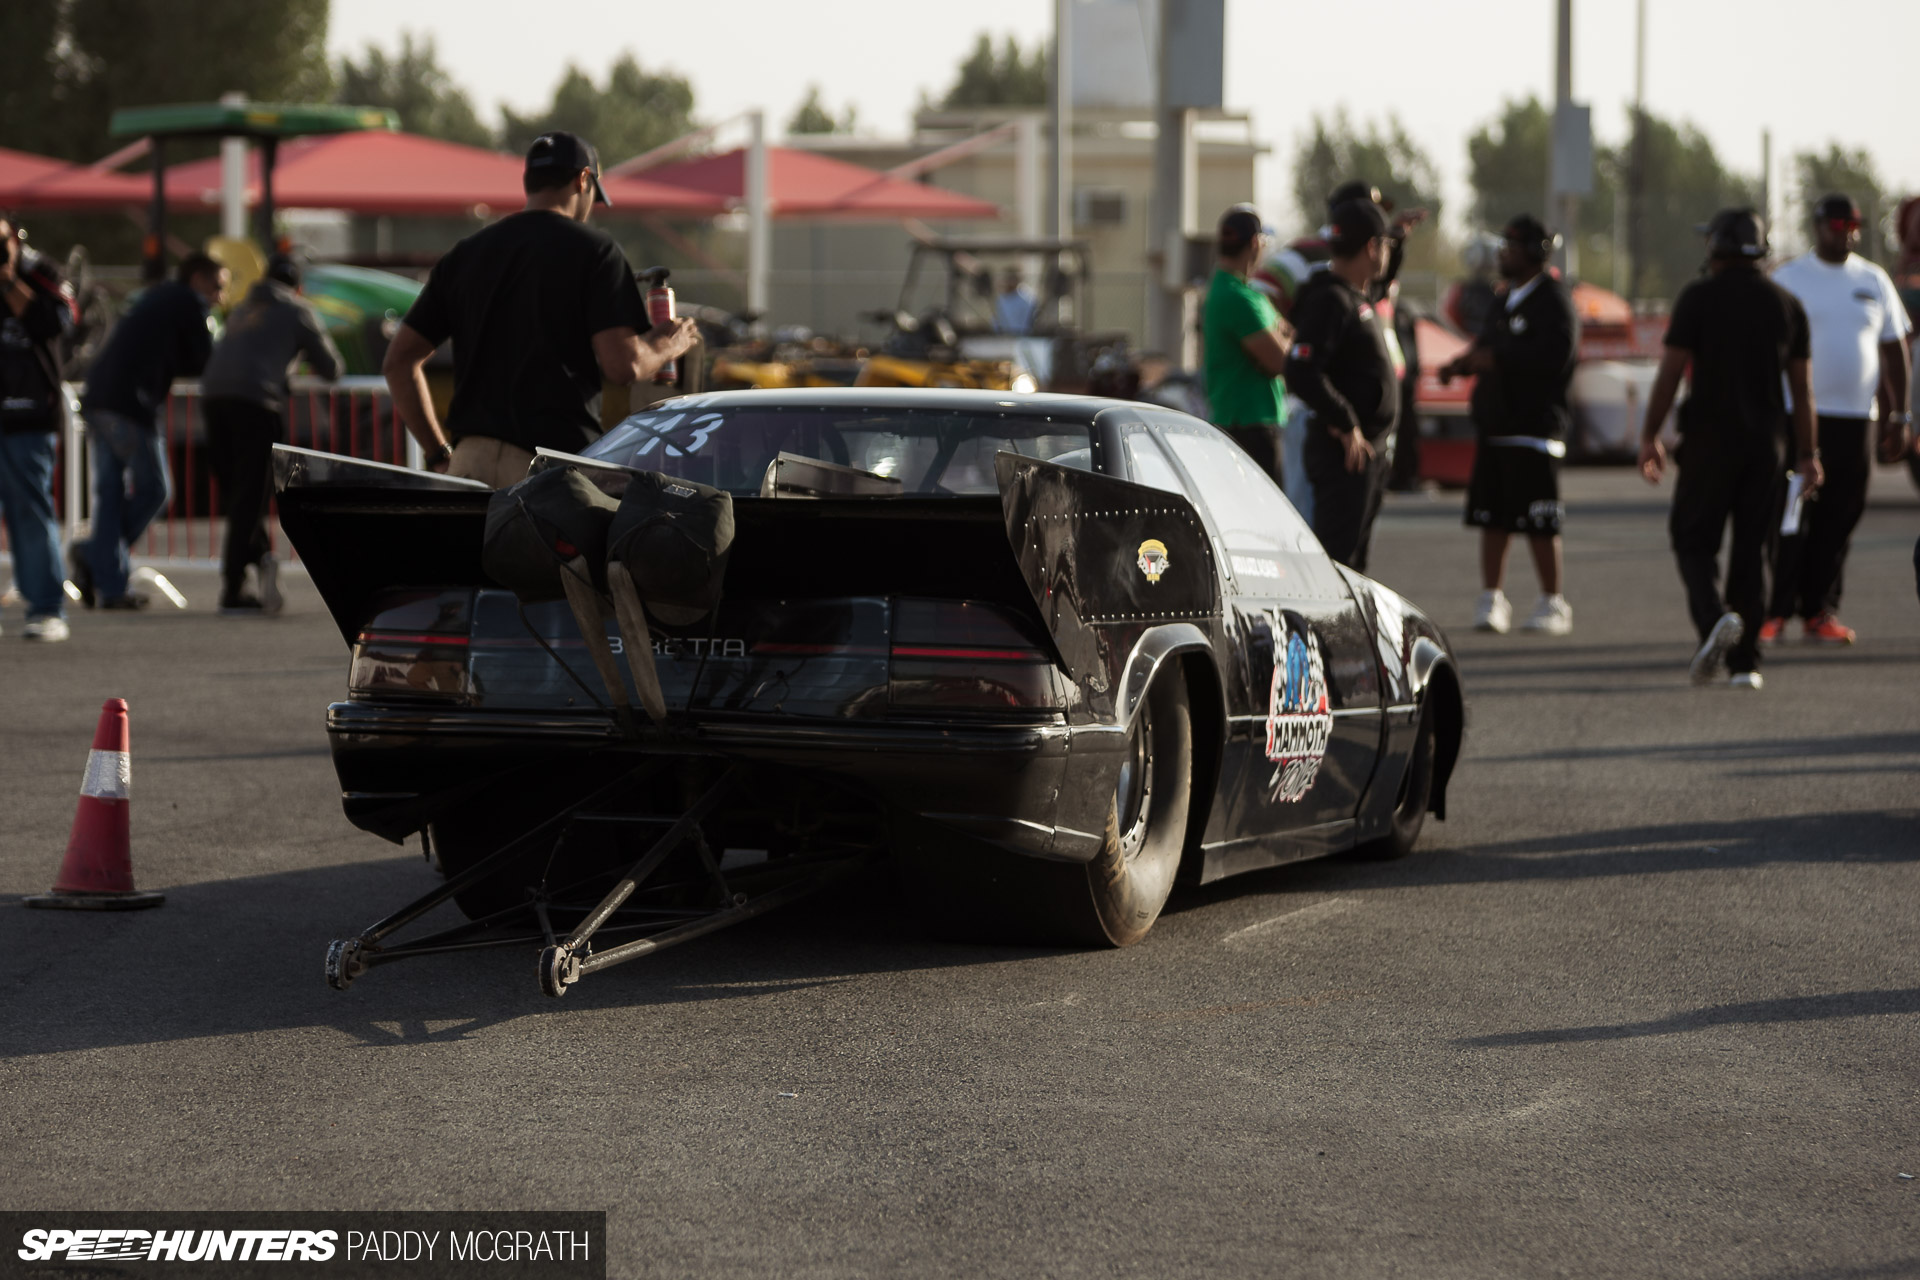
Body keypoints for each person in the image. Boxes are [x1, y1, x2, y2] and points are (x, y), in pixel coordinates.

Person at [384, 131, 698, 489]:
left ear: (529, 182)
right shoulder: (594, 250)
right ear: (583, 180)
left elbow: (398, 362)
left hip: (468, 470)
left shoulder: (466, 254)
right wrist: (667, 345)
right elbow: (623, 365)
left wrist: (439, 454)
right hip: (548, 473)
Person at [1637, 209, 1821, 691]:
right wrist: (1808, 453)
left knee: (1692, 539)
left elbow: (1672, 372)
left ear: (1716, 247)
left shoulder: (1699, 298)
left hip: (1709, 442)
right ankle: (1746, 665)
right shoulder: (1786, 304)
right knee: (1752, 548)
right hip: (1768, 447)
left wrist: (1649, 434)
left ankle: (1714, 618)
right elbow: (1803, 391)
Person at [1760, 193, 1913, 645]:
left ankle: (1820, 611)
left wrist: (1900, 414)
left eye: (1854, 224)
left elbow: (1894, 350)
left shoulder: (1873, 279)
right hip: (1797, 417)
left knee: (1841, 516)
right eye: (1838, 224)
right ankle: (1775, 611)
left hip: (1854, 420)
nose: (1847, 232)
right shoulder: (1788, 279)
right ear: (1818, 226)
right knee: (1790, 517)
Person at [1438, 214, 1580, 635]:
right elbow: (1486, 346)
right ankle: (1492, 599)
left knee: (1539, 519)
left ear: (1535, 253)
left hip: (1535, 426)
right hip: (1497, 424)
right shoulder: (1503, 298)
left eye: (1512, 247)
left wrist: (1499, 359)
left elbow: (1556, 356)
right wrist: (1460, 365)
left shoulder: (1554, 300)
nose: (1503, 254)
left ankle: (1553, 603)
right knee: (1493, 517)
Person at [72, 251, 227, 609]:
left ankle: (109, 584)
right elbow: (204, 361)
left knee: (109, 495)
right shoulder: (188, 303)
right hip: (129, 405)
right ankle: (95, 556)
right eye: (217, 287)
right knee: (155, 489)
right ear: (199, 280)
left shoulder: (159, 296)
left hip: (99, 396)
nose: (219, 296)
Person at [199, 254, 343, 615]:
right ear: (296, 286)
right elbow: (332, 368)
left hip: (213, 399)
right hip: (256, 403)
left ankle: (261, 559)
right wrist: (290, 370)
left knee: (238, 493)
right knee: (251, 494)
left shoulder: (242, 309)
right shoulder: (297, 310)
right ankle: (233, 586)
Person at [1284, 198, 1399, 570]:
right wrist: (1347, 421)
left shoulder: (1355, 295)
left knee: (1355, 564)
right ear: (1370, 247)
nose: (1387, 251)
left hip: (1368, 452)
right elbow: (1301, 370)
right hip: (1344, 455)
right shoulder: (1330, 299)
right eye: (1385, 243)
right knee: (1339, 564)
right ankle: (1333, 630)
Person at [0, 215, 78, 642]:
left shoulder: (42, 272)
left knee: (31, 511)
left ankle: (47, 608)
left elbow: (59, 323)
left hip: (29, 411)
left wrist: (9, 278)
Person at [1202, 205, 1292, 484]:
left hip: (1246, 422)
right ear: (1254, 243)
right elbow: (1280, 361)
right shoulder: (1238, 298)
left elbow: (1285, 334)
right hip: (1249, 425)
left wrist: (1281, 335)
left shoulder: (1242, 291)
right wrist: (1282, 336)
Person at [992, 266, 1038, 335]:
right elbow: (996, 322)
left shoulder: (1027, 298)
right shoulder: (1000, 300)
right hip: (1004, 339)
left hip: (1023, 338)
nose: (1007, 282)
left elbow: (1032, 320)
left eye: (1011, 279)